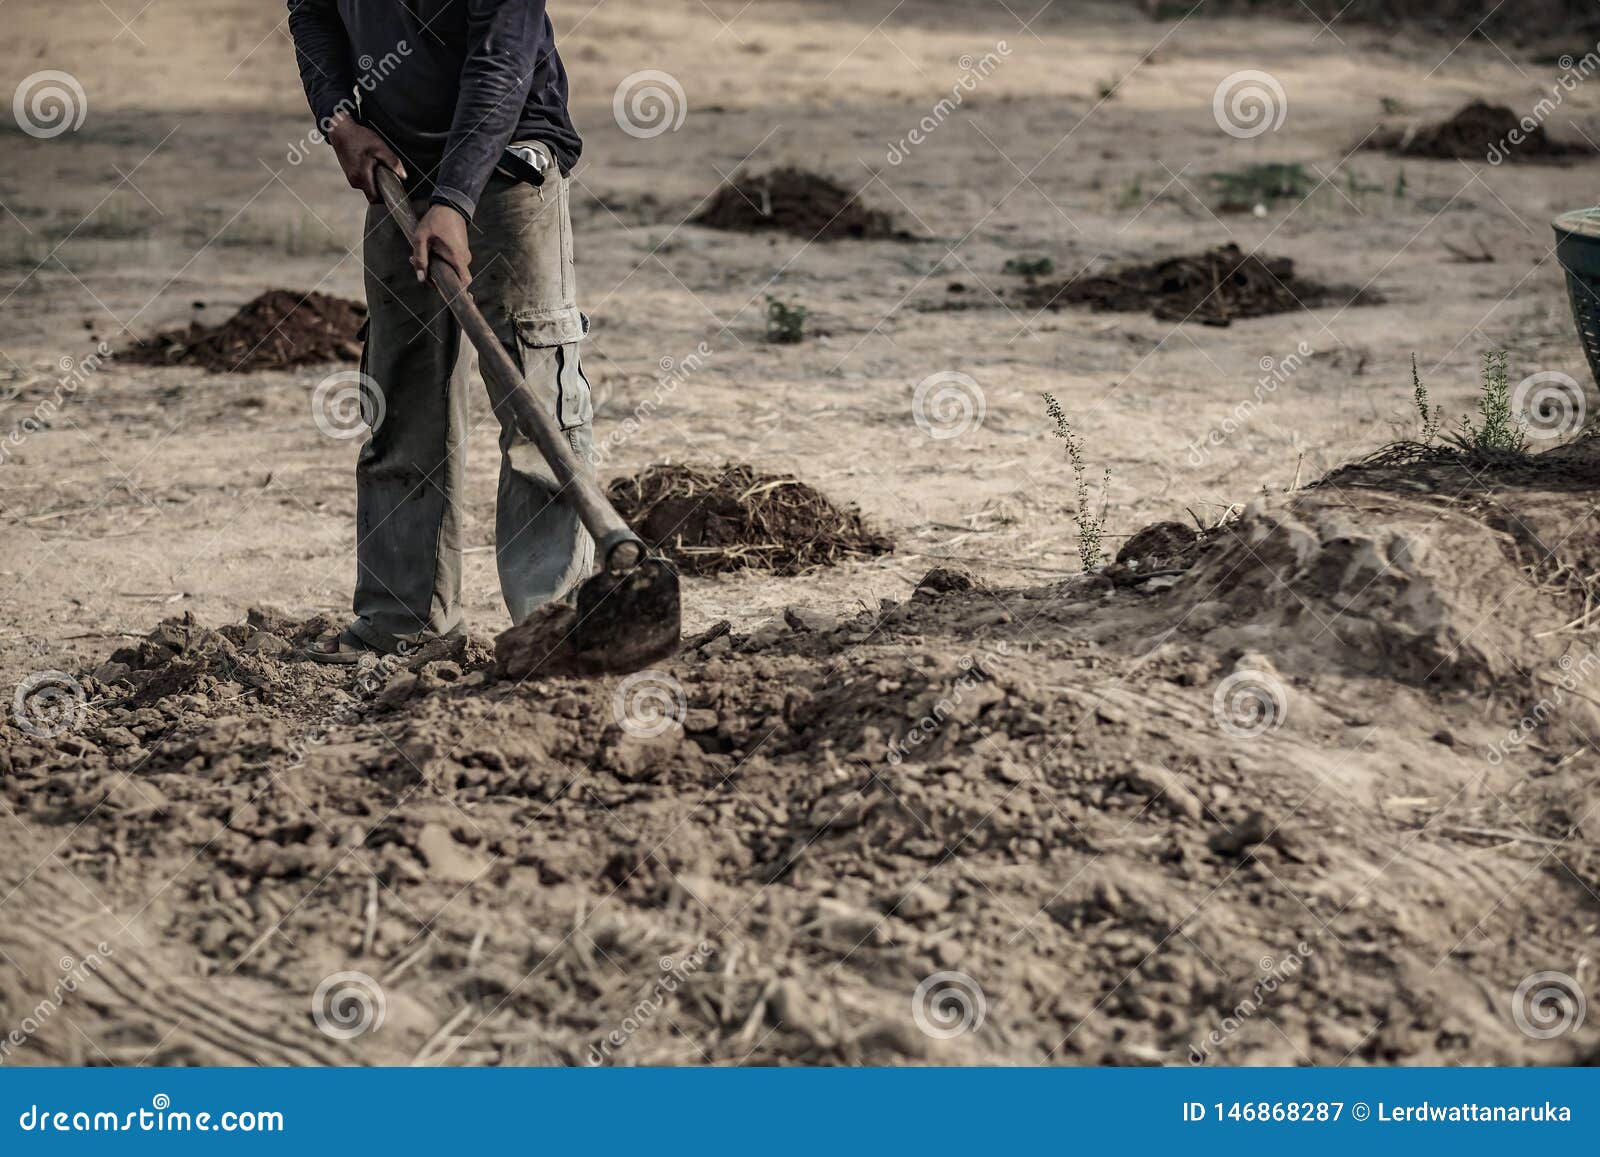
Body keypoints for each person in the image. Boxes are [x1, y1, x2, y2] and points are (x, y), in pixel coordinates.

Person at [285, 0, 594, 663]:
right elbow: (311, 11)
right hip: (398, 174)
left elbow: (502, 57)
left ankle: (554, 630)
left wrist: (454, 198)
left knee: (536, 406)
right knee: (401, 401)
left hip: (508, 165)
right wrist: (339, 120)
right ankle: (400, 625)